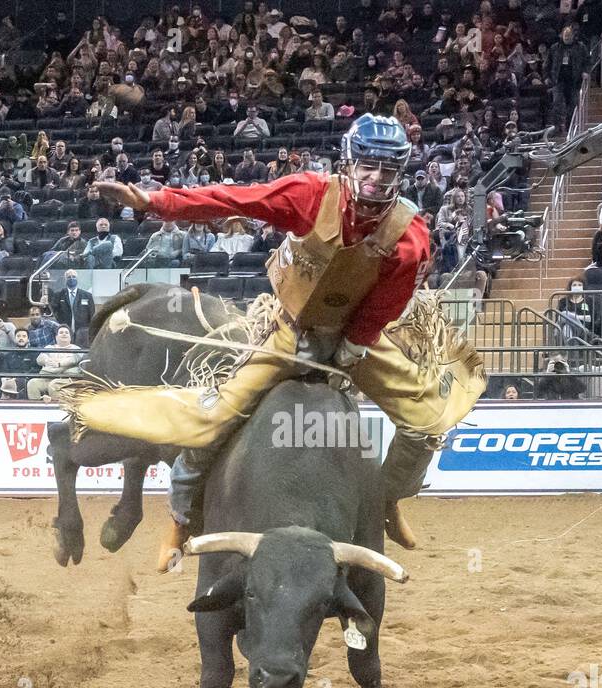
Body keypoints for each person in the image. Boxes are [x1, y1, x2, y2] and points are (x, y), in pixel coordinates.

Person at [85, 113, 484, 569]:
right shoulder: (310, 196)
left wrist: (353, 348)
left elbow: (384, 305)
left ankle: (385, 498)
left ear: (400, 173)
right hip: (290, 327)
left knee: (427, 420)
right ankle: (179, 516)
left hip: (363, 339)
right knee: (213, 414)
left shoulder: (410, 239)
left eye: (388, 170)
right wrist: (154, 200)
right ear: (349, 165)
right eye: (368, 167)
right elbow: (234, 198)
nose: (376, 178)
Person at [27, 324, 80, 401]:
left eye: (66, 332)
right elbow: (39, 359)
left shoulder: (76, 349)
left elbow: (74, 359)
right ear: (56, 337)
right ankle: (38, 406)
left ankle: (57, 408)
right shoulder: (49, 348)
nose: (64, 334)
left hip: (67, 379)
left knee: (54, 384)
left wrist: (59, 364)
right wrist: (47, 360)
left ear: (70, 337)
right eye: (61, 332)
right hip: (48, 377)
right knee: (32, 383)